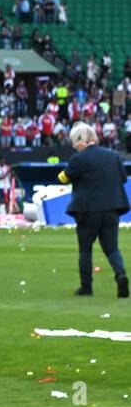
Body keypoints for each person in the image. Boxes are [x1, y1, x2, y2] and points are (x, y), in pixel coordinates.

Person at [60, 122, 129, 298]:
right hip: (112, 208)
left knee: (85, 249)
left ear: (80, 141)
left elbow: (63, 178)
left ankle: (86, 287)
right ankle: (120, 274)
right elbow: (123, 178)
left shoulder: (79, 159)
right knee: (112, 248)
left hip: (87, 210)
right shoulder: (113, 156)